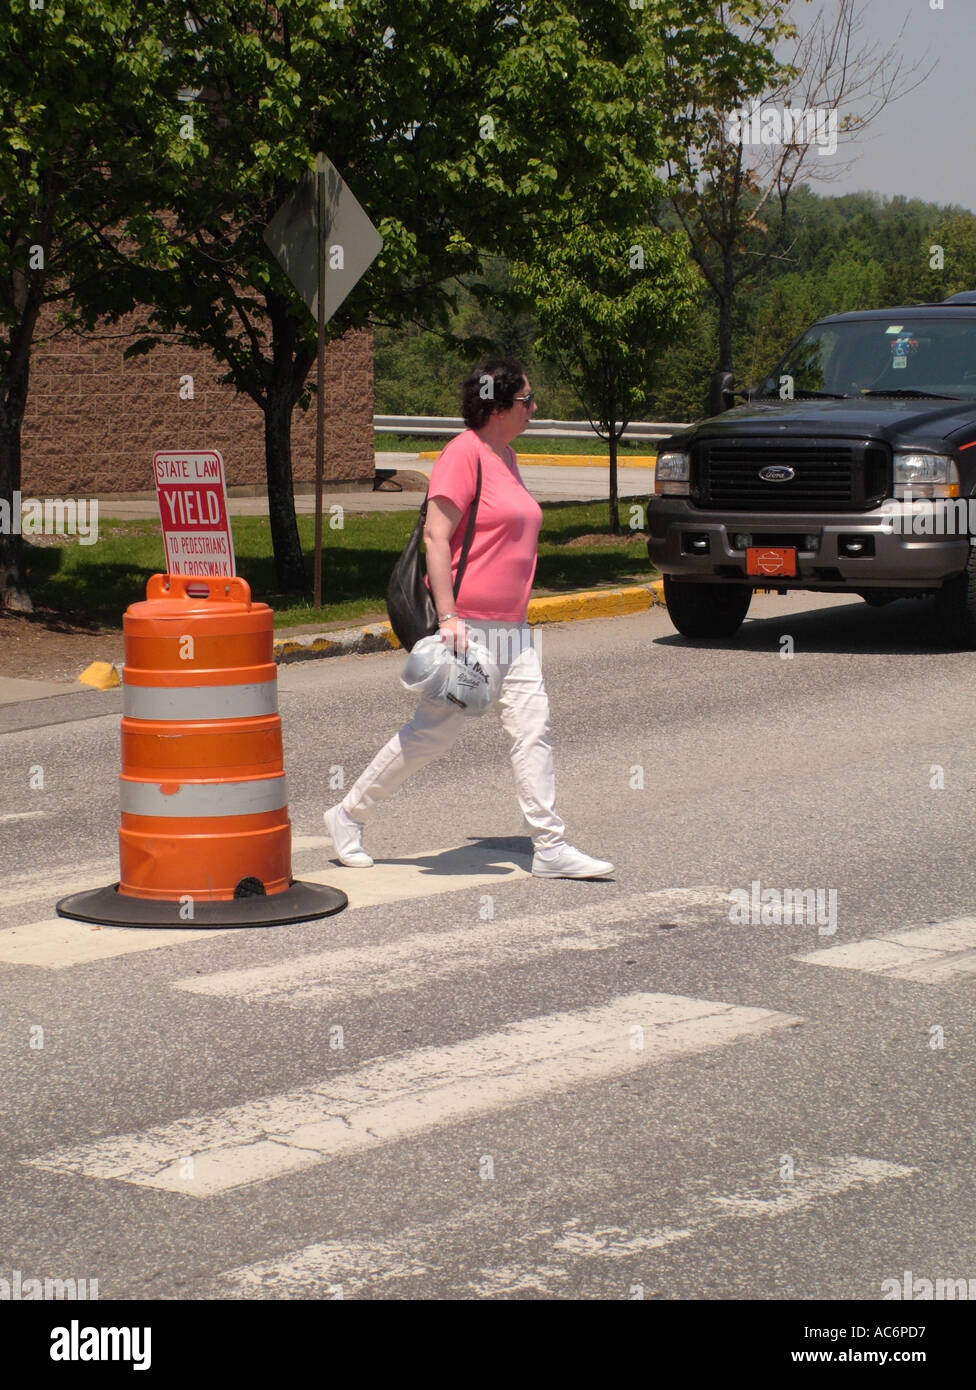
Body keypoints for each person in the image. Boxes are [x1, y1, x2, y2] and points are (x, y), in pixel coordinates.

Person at [324, 358, 614, 879]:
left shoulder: (507, 455)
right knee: (430, 736)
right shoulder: (464, 454)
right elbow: (437, 535)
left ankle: (549, 846)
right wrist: (450, 616)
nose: (533, 408)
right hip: (470, 629)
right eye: (527, 400)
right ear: (499, 405)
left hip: (514, 630)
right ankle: (348, 815)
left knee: (533, 728)